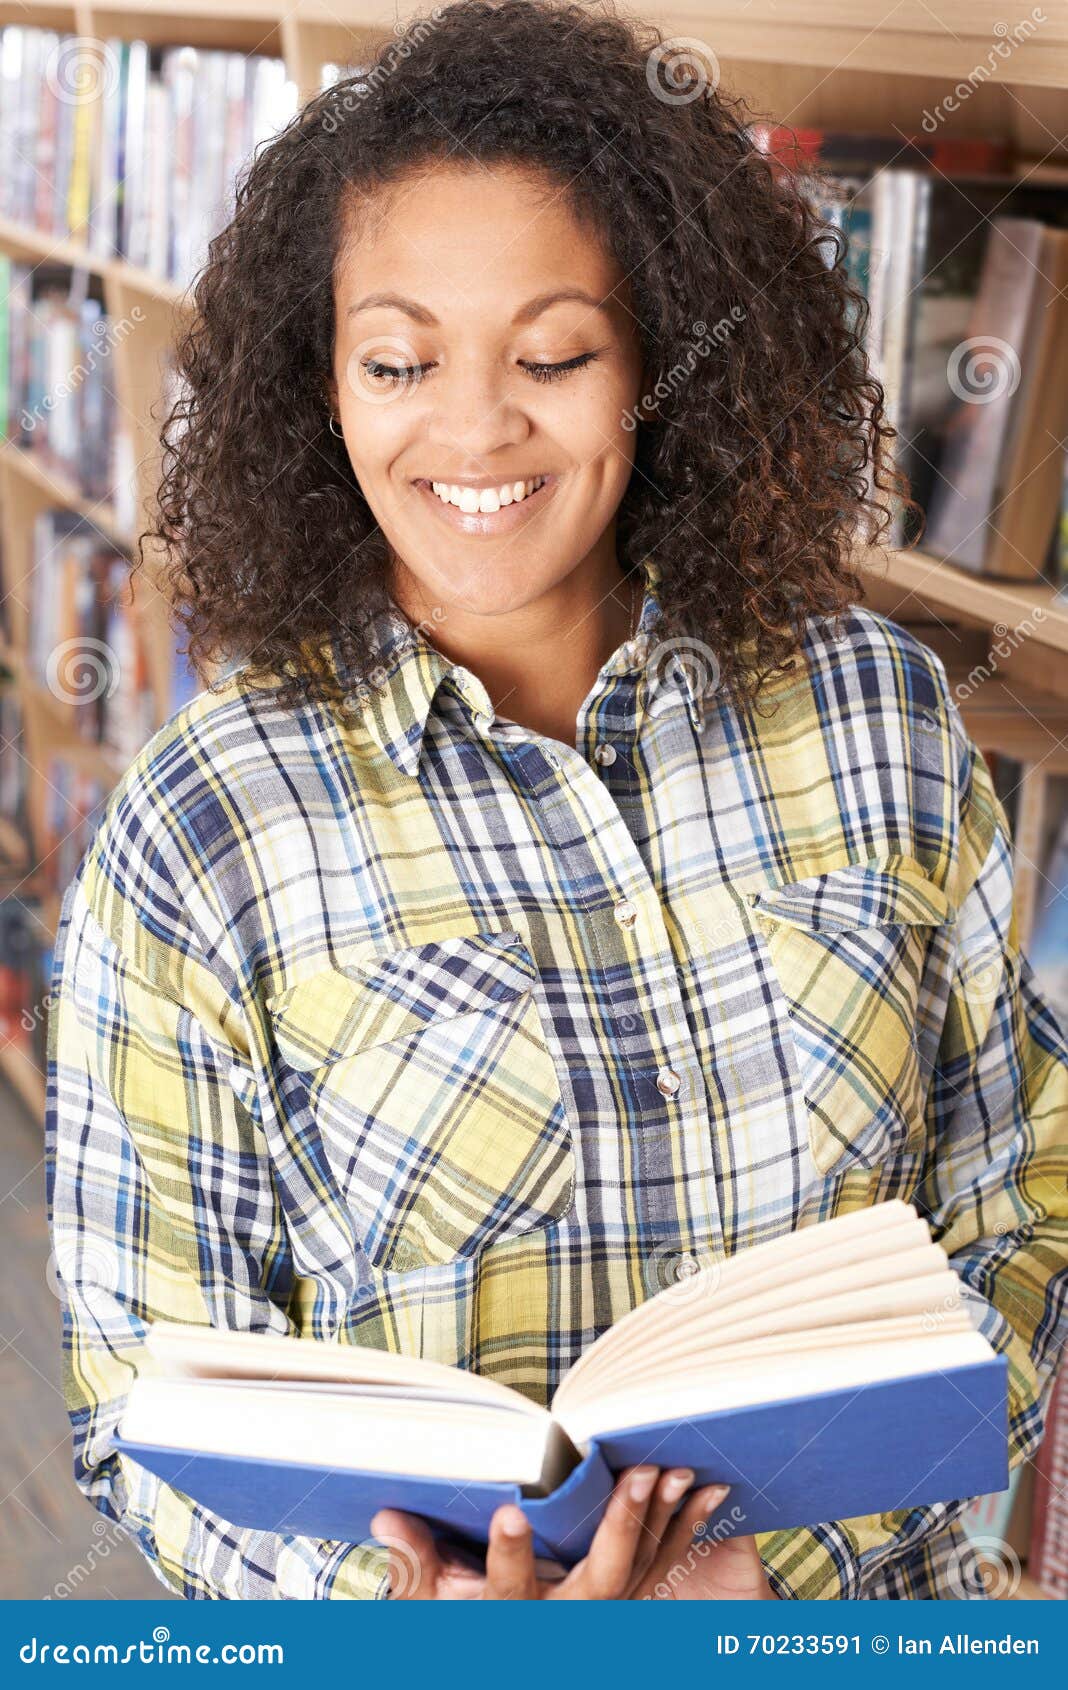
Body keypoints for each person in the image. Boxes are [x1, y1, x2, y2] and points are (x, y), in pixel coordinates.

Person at [45, 0, 1068, 1601]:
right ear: (319, 384)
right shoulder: (203, 831)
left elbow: (1015, 1203)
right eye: (398, 360)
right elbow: (134, 1391)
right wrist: (424, 1621)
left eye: (553, 354)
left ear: (655, 359)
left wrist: (766, 1572)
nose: (473, 428)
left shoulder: (878, 712)